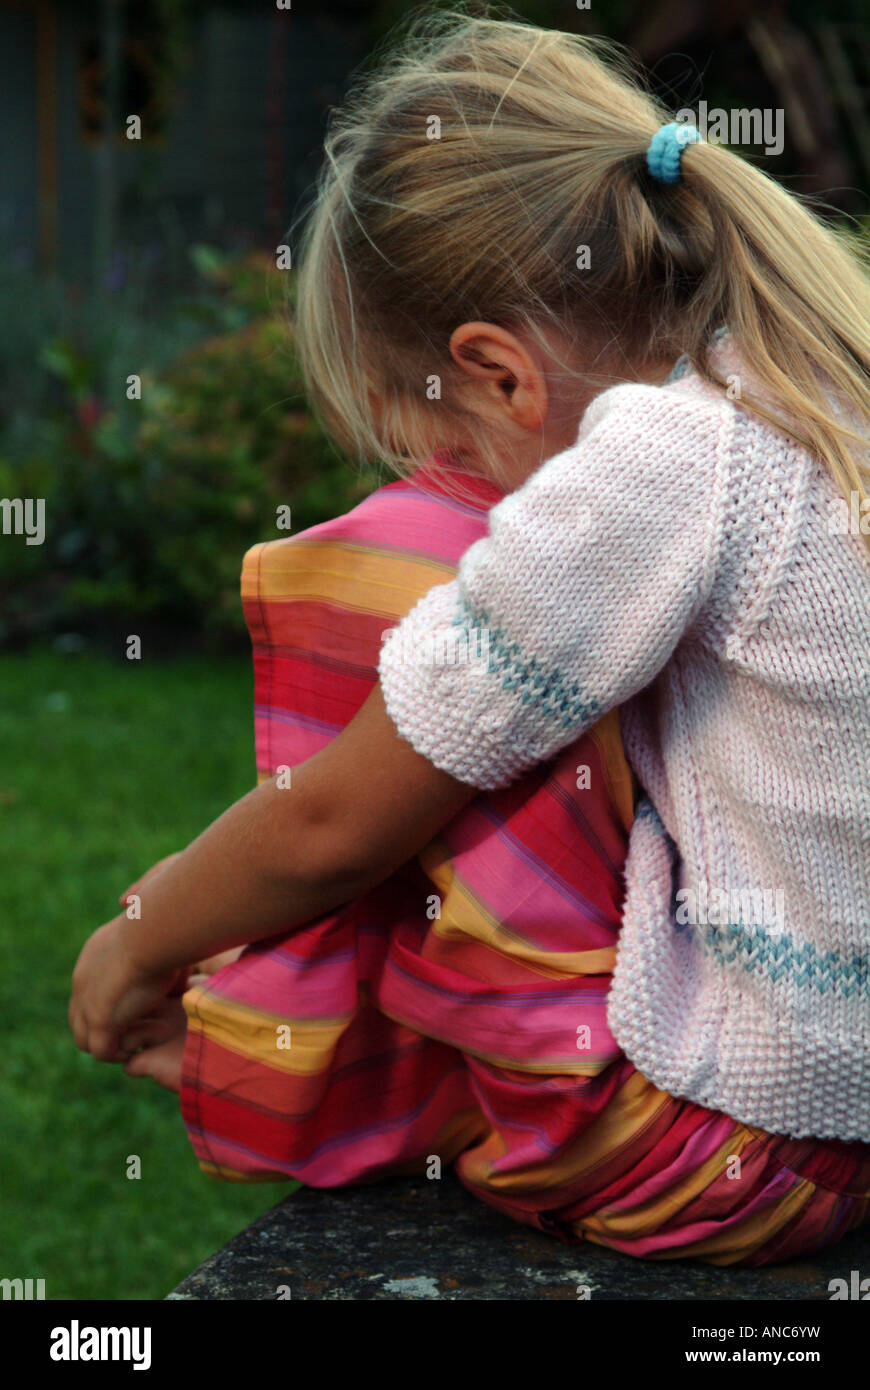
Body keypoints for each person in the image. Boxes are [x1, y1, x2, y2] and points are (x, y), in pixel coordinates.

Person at [70, 11, 870, 1265]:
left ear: (498, 374)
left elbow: (328, 824)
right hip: (838, 1099)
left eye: (435, 436)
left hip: (751, 1144)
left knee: (412, 574)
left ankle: (310, 1062)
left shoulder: (665, 459)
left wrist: (143, 933)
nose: (448, 473)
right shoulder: (815, 380)